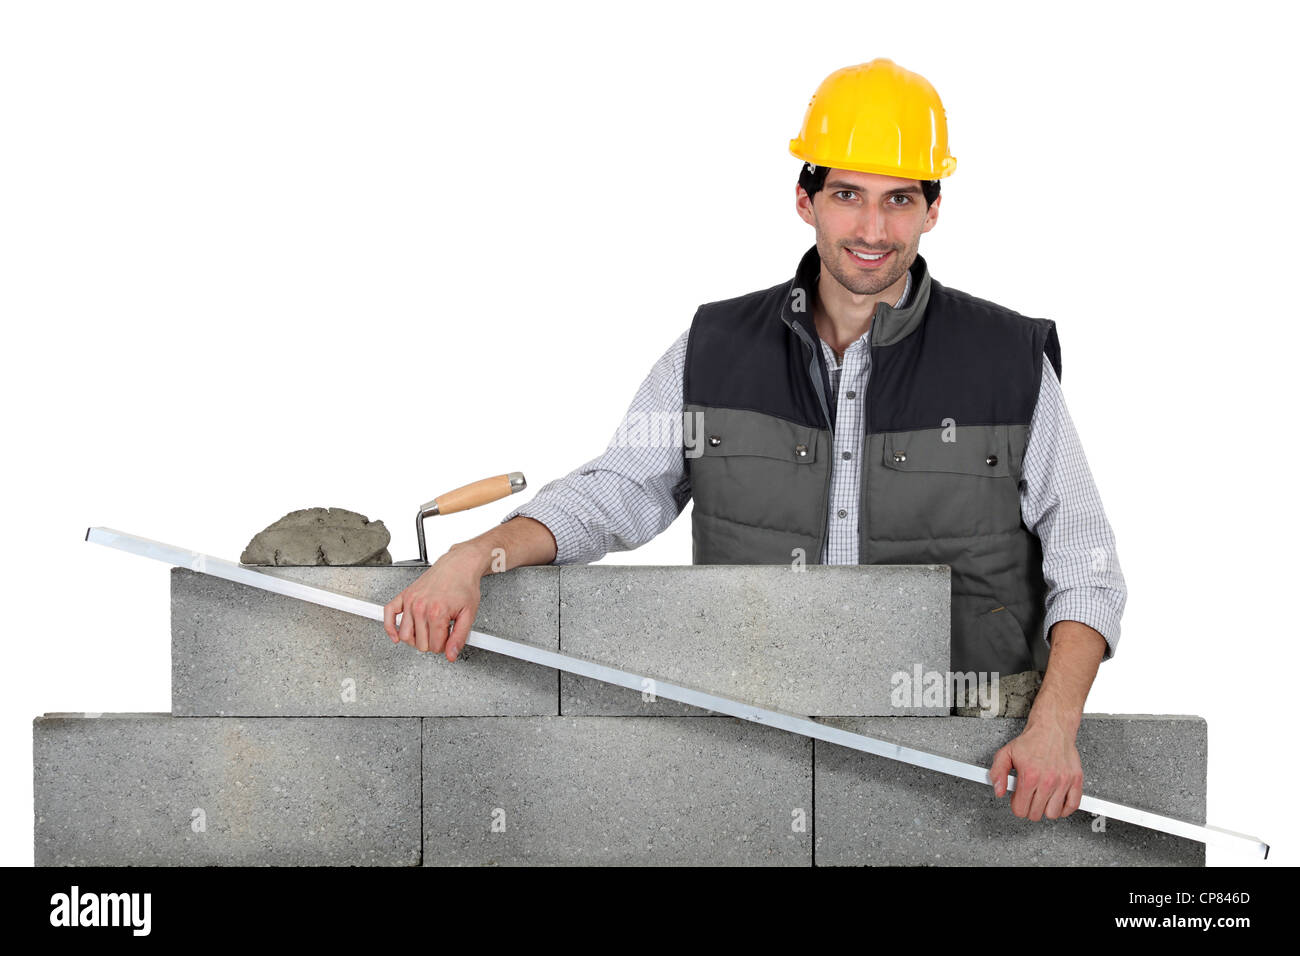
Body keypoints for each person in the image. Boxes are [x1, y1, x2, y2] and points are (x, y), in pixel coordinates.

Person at [383, 58, 1127, 824]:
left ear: (932, 211)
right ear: (805, 200)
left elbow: (1088, 566)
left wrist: (1053, 726)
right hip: (760, 751)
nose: (872, 230)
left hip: (964, 760)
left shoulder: (1006, 363)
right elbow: (616, 491)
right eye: (847, 196)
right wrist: (479, 555)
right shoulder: (715, 350)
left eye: (898, 200)